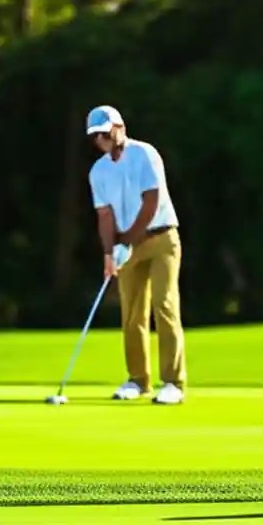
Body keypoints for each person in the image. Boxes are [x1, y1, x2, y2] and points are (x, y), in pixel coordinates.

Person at [85, 105, 187, 405]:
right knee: (131, 312)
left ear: (120, 127)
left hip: (161, 238)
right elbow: (105, 215)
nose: (101, 140)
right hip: (127, 247)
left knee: (164, 305)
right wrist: (108, 252)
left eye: (105, 133)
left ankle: (173, 383)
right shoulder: (98, 171)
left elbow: (151, 202)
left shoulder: (144, 154)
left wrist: (126, 241)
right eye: (95, 136)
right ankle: (138, 380)